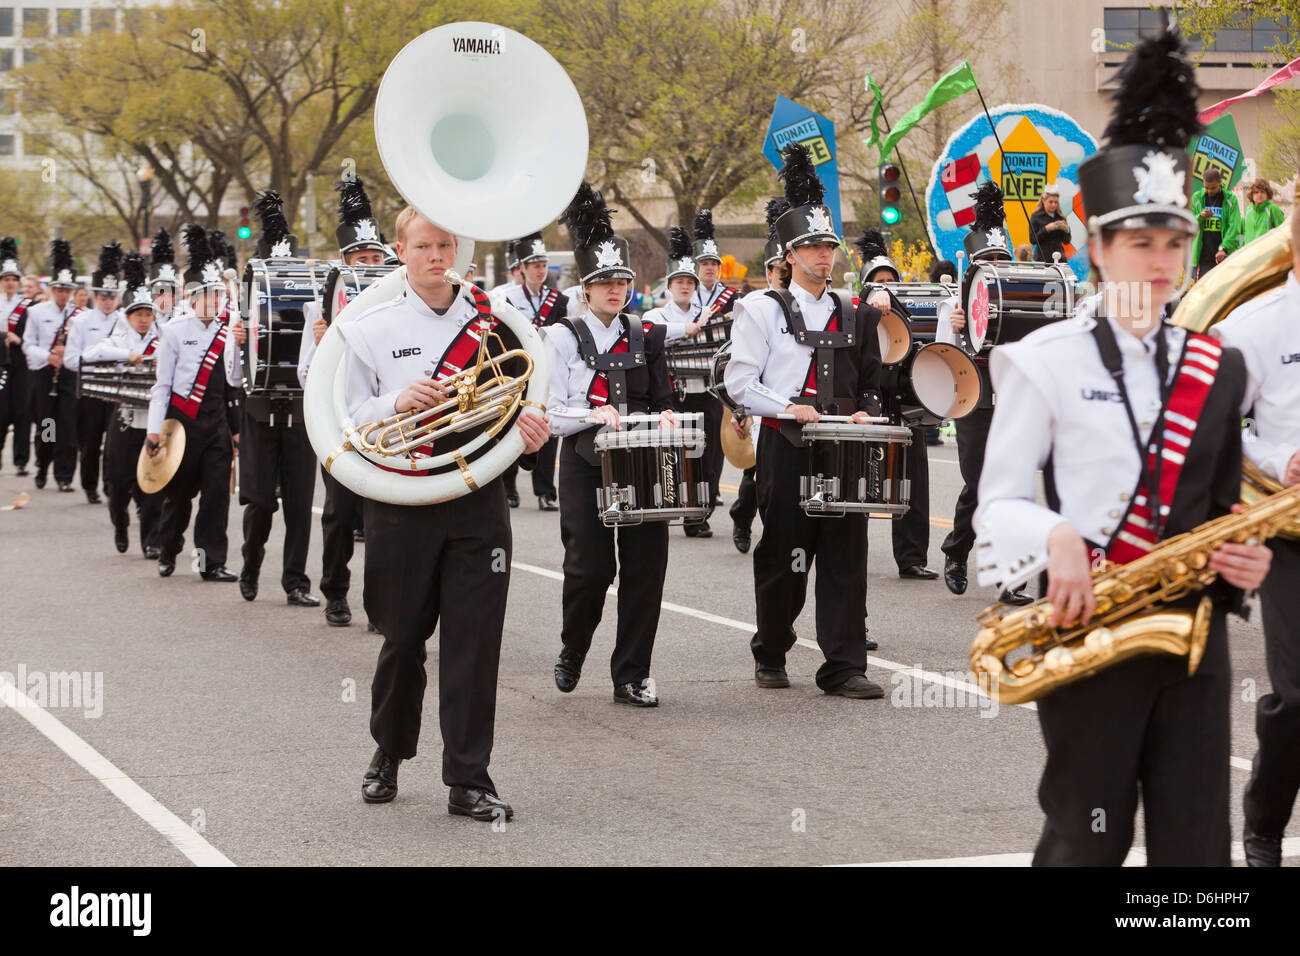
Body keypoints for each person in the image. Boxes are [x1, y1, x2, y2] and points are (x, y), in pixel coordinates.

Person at [975, 25, 1272, 866]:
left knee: (1197, 854)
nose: (1159, 262)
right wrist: (1058, 537)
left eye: (1173, 243)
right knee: (1086, 841)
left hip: (1192, 636)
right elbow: (996, 505)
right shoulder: (1042, 361)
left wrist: (1243, 554)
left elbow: (1217, 507)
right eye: (1139, 242)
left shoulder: (1221, 366)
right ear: (1098, 246)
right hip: (1086, 626)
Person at [337, 205, 549, 821]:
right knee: (402, 639)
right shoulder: (370, 326)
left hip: (477, 499)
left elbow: (526, 398)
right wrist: (397, 401)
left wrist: (532, 436)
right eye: (424, 245)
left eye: (446, 245)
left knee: (475, 642)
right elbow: (346, 415)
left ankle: (468, 777)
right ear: (401, 251)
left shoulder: (497, 321)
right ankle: (389, 751)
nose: (437, 256)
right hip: (402, 499)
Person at [724, 143, 886, 700]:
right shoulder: (761, 309)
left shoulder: (856, 312)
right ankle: (771, 647)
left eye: (829, 246)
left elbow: (870, 379)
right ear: (790, 255)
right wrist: (788, 406)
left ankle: (843, 665)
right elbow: (741, 383)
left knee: (846, 557)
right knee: (786, 557)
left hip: (842, 447)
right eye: (813, 247)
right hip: (787, 445)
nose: (824, 255)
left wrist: (867, 408)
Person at [546, 182, 676, 707]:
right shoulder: (561, 336)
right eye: (604, 282)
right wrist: (592, 415)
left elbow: (664, 395)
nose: (615, 289)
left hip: (643, 465)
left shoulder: (648, 335)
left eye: (621, 280)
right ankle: (573, 648)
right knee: (590, 570)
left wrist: (665, 415)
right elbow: (551, 415)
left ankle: (632, 674)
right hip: (584, 463)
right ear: (586, 286)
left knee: (646, 573)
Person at [1210, 202, 1300, 867]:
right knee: (1297, 697)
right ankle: (1265, 827)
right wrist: (1279, 461)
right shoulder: (1252, 326)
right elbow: (1218, 428)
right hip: (1289, 531)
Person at [297, 177, 389, 628]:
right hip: (338, 420)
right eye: (362, 259)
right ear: (346, 262)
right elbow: (304, 374)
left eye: (376, 258)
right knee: (338, 513)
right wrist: (321, 345)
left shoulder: (396, 303)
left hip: (384, 421)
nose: (370, 265)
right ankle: (335, 592)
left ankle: (379, 604)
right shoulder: (321, 305)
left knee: (380, 516)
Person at [936, 183, 1033, 607]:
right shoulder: (952, 304)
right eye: (988, 261)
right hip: (974, 401)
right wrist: (955, 326)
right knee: (979, 484)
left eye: (1000, 259)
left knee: (1011, 488)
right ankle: (956, 551)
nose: (995, 267)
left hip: (1012, 400)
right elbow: (940, 356)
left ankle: (1010, 577)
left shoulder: (1023, 298)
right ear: (972, 267)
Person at [146, 224, 243, 582]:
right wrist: (154, 433)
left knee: (216, 498)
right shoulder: (174, 332)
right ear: (193, 297)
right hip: (181, 422)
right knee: (179, 495)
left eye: (219, 296)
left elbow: (234, 384)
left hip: (216, 422)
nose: (215, 303)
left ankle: (210, 562)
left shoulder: (229, 329)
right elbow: (162, 386)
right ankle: (168, 549)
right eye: (209, 296)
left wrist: (235, 432)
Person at [237, 189, 320, 609]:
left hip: (300, 415)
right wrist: (240, 343)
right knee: (261, 503)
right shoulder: (245, 305)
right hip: (260, 413)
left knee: (300, 506)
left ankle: (296, 582)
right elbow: (238, 377)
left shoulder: (311, 302)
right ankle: (250, 565)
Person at [855, 227, 937, 583]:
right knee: (859, 484)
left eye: (890, 279)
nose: (885, 284)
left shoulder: (904, 310)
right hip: (865, 408)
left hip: (902, 406)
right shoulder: (854, 311)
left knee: (914, 484)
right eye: (877, 279)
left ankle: (912, 557)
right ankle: (850, 556)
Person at [82, 253, 163, 557]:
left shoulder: (163, 338)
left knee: (152, 482)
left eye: (148, 313)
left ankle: (152, 539)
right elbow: (90, 354)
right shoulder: (118, 341)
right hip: (125, 418)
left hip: (152, 420)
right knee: (118, 481)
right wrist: (125, 356)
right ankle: (120, 522)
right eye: (138, 313)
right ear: (127, 316)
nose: (144, 318)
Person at [728, 199, 787, 556]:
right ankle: (741, 517)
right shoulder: (756, 307)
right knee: (756, 474)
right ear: (768, 272)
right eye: (778, 270)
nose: (783, 275)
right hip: (759, 403)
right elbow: (736, 366)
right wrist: (739, 409)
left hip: (795, 408)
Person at [503, 230, 568, 510]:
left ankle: (545, 491)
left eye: (543, 265)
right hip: (516, 371)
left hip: (547, 372)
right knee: (510, 425)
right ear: (522, 269)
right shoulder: (507, 299)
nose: (540, 271)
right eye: (535, 266)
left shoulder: (558, 299)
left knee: (545, 428)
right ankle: (508, 488)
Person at [682, 208, 736, 536]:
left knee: (714, 444)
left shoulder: (730, 297)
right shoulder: (684, 293)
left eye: (714, 264)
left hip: (717, 381)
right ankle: (691, 505)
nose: (709, 269)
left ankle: (708, 495)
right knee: (691, 444)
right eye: (704, 264)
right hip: (687, 381)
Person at [66, 242, 125, 504]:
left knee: (114, 445)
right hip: (90, 389)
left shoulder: (125, 320)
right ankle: (89, 485)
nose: (108, 302)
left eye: (112, 297)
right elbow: (70, 359)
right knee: (90, 442)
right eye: (103, 297)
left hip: (116, 389)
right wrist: (95, 359)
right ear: (94, 296)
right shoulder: (81, 321)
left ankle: (110, 485)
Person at [22, 240, 82, 492]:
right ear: (51, 289)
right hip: (46, 376)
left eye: (67, 290)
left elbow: (84, 347)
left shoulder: (79, 314)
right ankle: (43, 466)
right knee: (48, 426)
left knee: (68, 427)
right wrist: (48, 356)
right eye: (59, 289)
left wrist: (68, 352)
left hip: (68, 376)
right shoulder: (36, 312)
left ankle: (65, 475)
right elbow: (28, 344)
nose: (63, 294)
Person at [1, 239, 35, 475]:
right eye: (6, 279)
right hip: (1, 363)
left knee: (23, 413)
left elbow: (33, 336)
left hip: (21, 363)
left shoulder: (28, 306)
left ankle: (22, 460)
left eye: (14, 280)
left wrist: (18, 339)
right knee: (1, 412)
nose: (10, 283)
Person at [1191, 167, 1243, 279]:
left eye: (1213, 188)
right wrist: (1200, 217)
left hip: (1224, 254)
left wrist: (1223, 248)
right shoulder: (1196, 198)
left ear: (1220, 182)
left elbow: (1234, 227)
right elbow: (1188, 223)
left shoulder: (1230, 199)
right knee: (1204, 291)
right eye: (1206, 188)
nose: (1209, 191)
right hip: (1203, 255)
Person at [1029, 185, 1070, 264]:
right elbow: (1033, 240)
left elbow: (1066, 241)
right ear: (1044, 200)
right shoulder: (1036, 216)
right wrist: (1046, 229)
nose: (1054, 205)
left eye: (1056, 202)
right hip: (1042, 259)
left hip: (1059, 259)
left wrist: (1066, 229)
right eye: (1051, 202)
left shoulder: (1061, 217)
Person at [150, 228, 183, 326]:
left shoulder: (182, 319)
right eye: (161, 294)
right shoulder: (144, 319)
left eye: (171, 294)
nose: (166, 299)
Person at [1242, 177, 1286, 246]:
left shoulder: (1273, 209)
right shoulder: (1248, 210)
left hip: (1267, 253)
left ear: (1267, 194)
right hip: (1250, 253)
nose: (1259, 195)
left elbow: (1284, 233)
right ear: (1252, 194)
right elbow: (1246, 234)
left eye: (1262, 192)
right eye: (1256, 192)